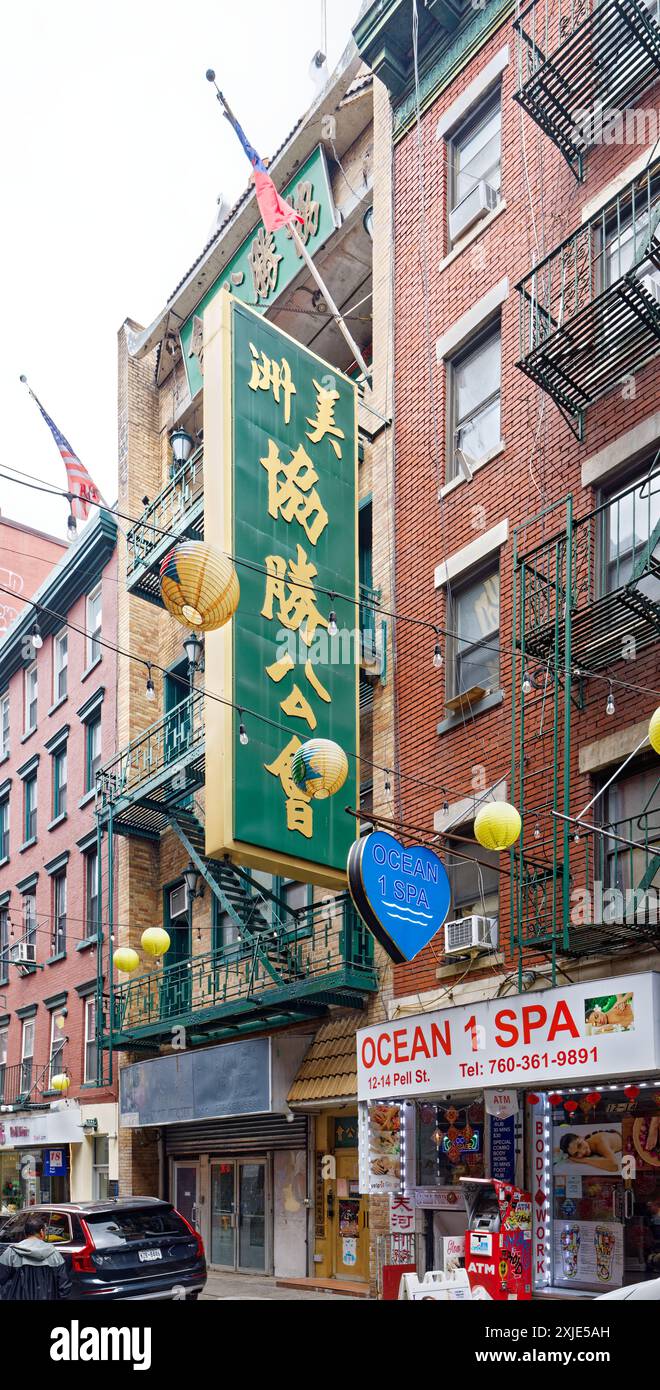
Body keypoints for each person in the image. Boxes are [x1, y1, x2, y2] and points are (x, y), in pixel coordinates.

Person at [0, 1213, 71, 1300]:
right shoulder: (54, 1254)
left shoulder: (11, 1252)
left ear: (25, 1233)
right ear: (41, 1232)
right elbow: (64, 1286)